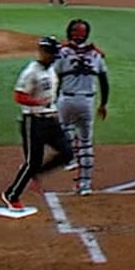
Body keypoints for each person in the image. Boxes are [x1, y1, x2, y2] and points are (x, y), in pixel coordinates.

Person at [0, 35, 74, 214]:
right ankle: (11, 195)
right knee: (33, 162)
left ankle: (35, 173)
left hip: (50, 120)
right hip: (33, 121)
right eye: (52, 53)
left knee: (67, 153)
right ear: (43, 52)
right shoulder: (31, 72)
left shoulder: (51, 69)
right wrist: (38, 103)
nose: (54, 57)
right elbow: (19, 96)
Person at [56, 18, 109, 195]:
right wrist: (103, 104)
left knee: (62, 129)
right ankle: (85, 184)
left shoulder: (62, 52)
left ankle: (70, 156)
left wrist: (51, 100)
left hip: (66, 99)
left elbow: (55, 77)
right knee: (86, 143)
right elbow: (104, 81)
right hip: (87, 102)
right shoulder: (96, 54)